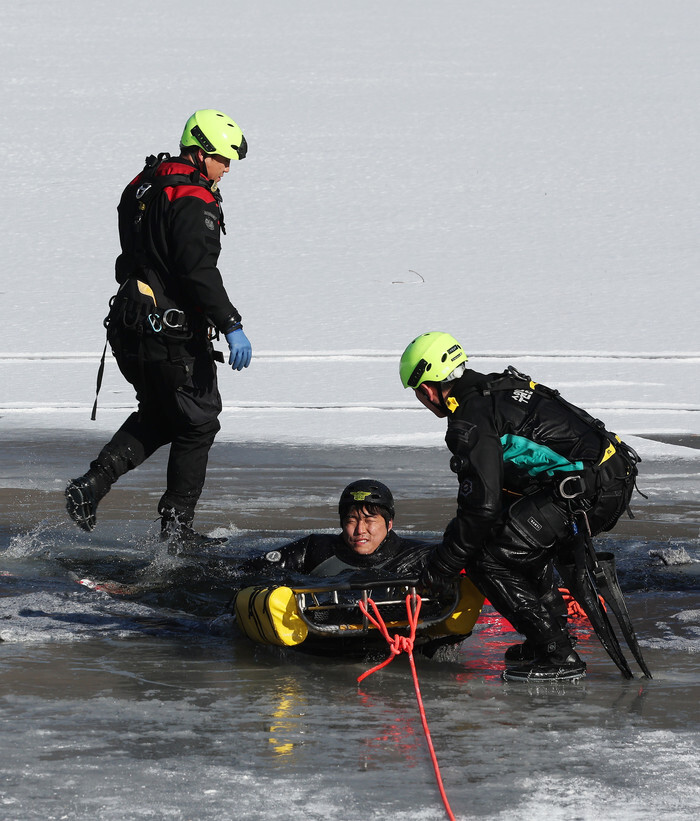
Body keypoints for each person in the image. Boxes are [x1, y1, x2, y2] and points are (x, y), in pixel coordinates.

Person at [399, 332, 641, 681]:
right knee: (510, 535)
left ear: (427, 388)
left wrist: (442, 567)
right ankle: (551, 632)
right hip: (604, 478)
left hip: (588, 491)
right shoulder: (495, 387)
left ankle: (556, 652)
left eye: (418, 393)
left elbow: (479, 509)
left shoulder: (470, 419)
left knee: (486, 557)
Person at [65, 109, 252, 549]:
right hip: (167, 333)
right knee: (198, 422)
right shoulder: (192, 197)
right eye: (223, 159)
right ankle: (177, 531)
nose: (227, 169)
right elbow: (197, 271)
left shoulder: (144, 182)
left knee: (163, 412)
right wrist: (231, 324)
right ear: (200, 151)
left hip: (128, 325)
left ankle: (91, 486)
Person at [241, 479, 433, 577]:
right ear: (341, 523)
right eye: (352, 520)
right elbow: (249, 572)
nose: (360, 530)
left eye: (369, 520)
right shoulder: (314, 549)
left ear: (389, 523)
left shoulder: (418, 555)